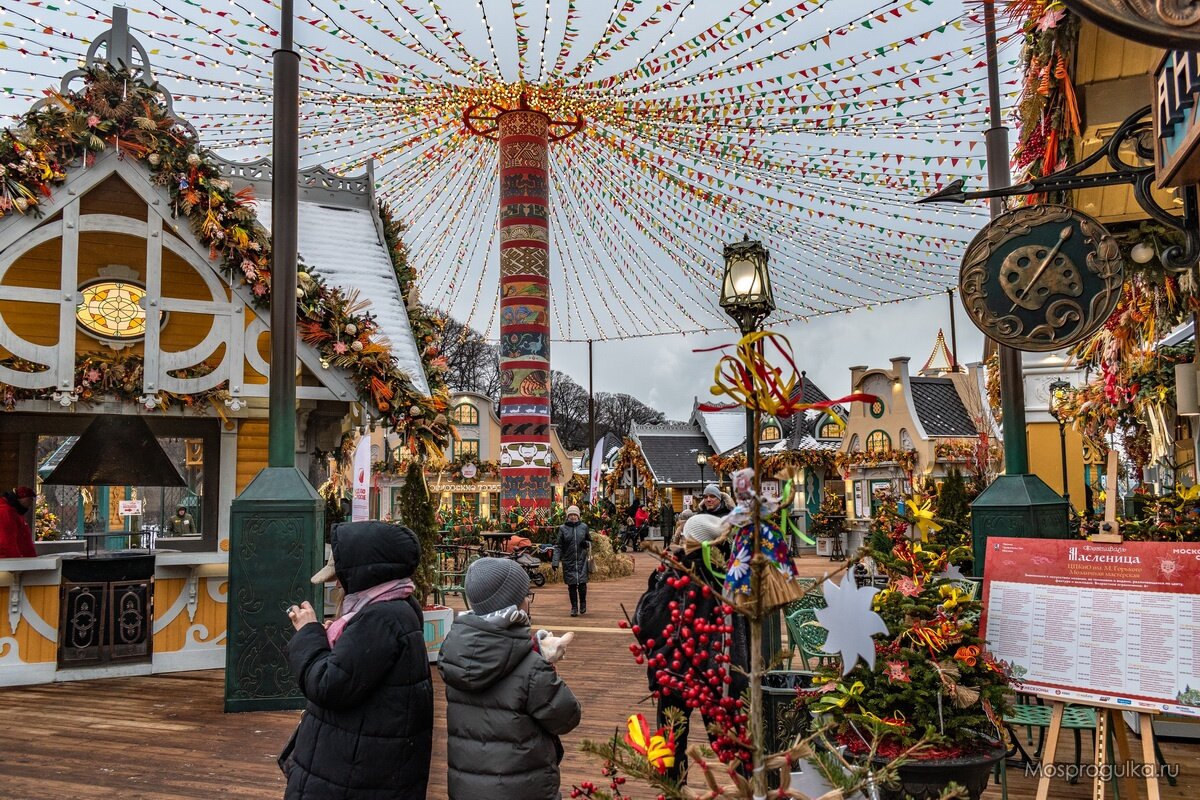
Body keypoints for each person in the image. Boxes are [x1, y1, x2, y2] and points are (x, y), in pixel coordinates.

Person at [280, 521, 433, 800]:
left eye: (340, 575)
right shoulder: (395, 607)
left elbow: (328, 684)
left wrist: (308, 633)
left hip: (353, 773)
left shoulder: (380, 618)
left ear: (364, 573)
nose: (337, 583)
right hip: (364, 762)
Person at [439, 558, 582, 800]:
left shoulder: (454, 654)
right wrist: (544, 663)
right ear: (515, 606)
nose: (528, 600)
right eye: (526, 595)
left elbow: (500, 657)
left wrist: (533, 648)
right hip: (524, 787)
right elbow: (567, 717)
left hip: (467, 787)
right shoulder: (531, 669)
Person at [633, 514, 749, 783]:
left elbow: (647, 621)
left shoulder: (678, 574)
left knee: (670, 748)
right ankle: (748, 789)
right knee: (733, 748)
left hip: (677, 673)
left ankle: (673, 790)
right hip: (721, 675)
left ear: (692, 540)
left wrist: (656, 581)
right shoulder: (732, 577)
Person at [552, 505, 592, 617]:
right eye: (571, 515)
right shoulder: (563, 528)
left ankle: (583, 603)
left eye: (575, 515)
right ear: (568, 516)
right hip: (568, 561)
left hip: (582, 560)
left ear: (578, 516)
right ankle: (574, 607)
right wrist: (555, 561)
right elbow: (558, 546)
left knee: (583, 584)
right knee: (572, 586)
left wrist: (586, 544)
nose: (573, 517)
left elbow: (589, 540)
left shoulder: (584, 527)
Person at [0, 486, 37, 559]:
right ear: (22, 498)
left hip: (18, 561)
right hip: (10, 563)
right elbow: (6, 541)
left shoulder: (16, 512)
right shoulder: (5, 512)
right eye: (30, 499)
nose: (31, 503)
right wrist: (16, 561)